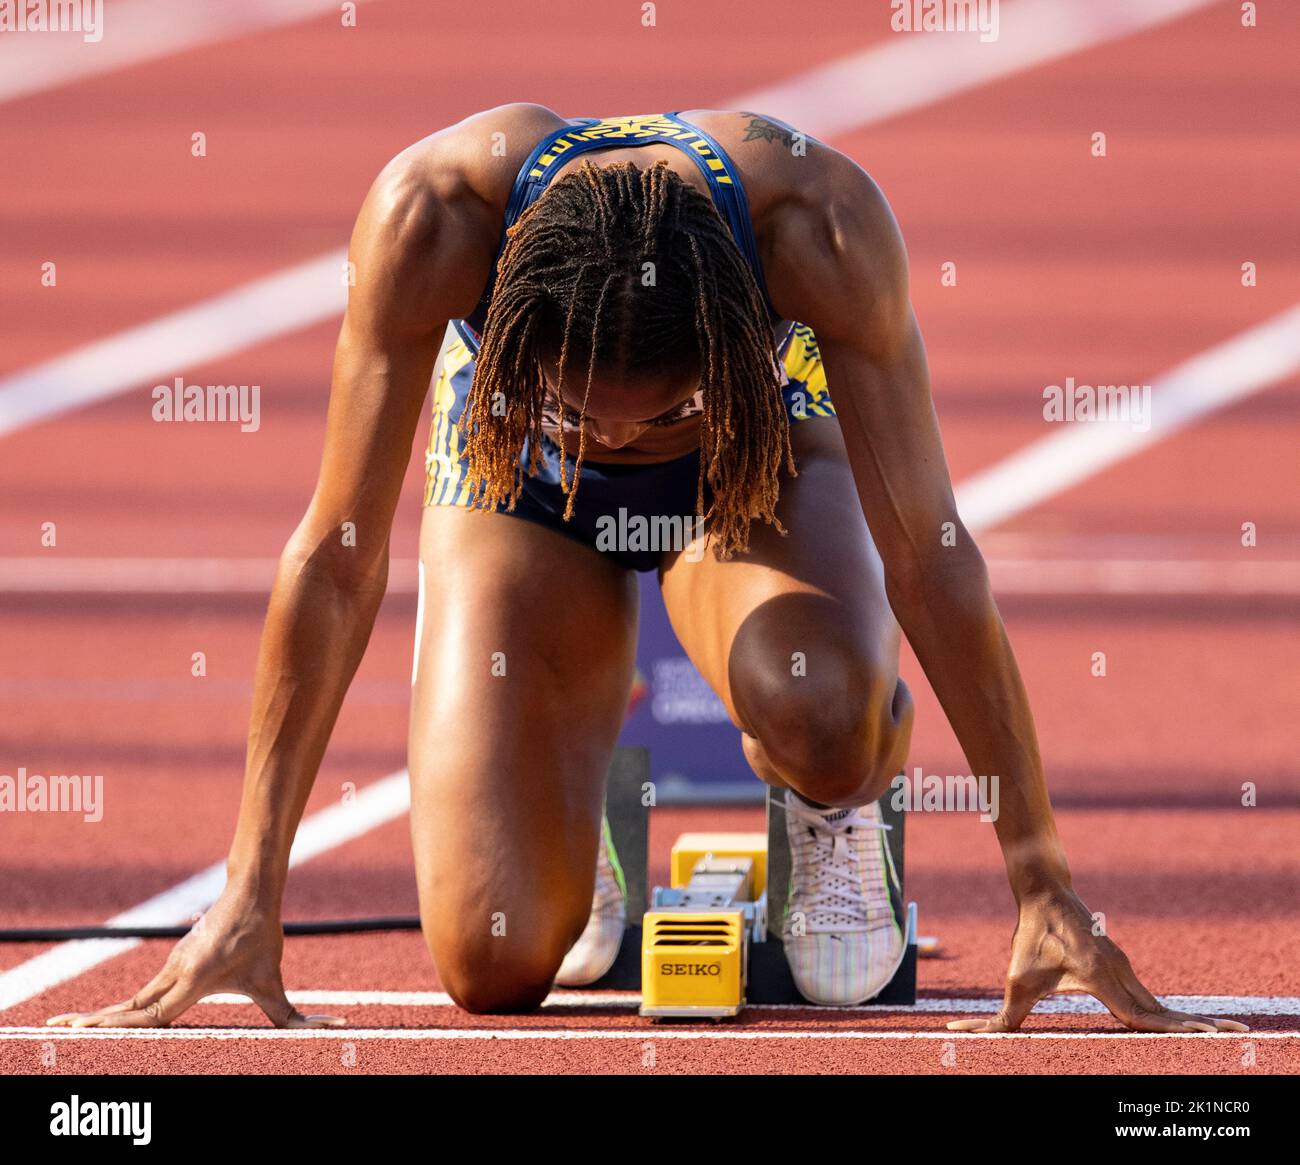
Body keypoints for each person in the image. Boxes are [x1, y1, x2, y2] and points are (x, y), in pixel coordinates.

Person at [49, 107, 1245, 1032]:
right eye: (589, 412)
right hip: (519, 483)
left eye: (649, 415)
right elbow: (333, 556)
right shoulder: (430, 218)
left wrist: (1040, 872)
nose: (617, 440)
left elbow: (931, 556)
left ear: (722, 343)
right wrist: (249, 891)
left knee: (820, 707)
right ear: (521, 335)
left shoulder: (817, 224)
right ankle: (586, 786)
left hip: (752, 463)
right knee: (495, 959)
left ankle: (836, 807)